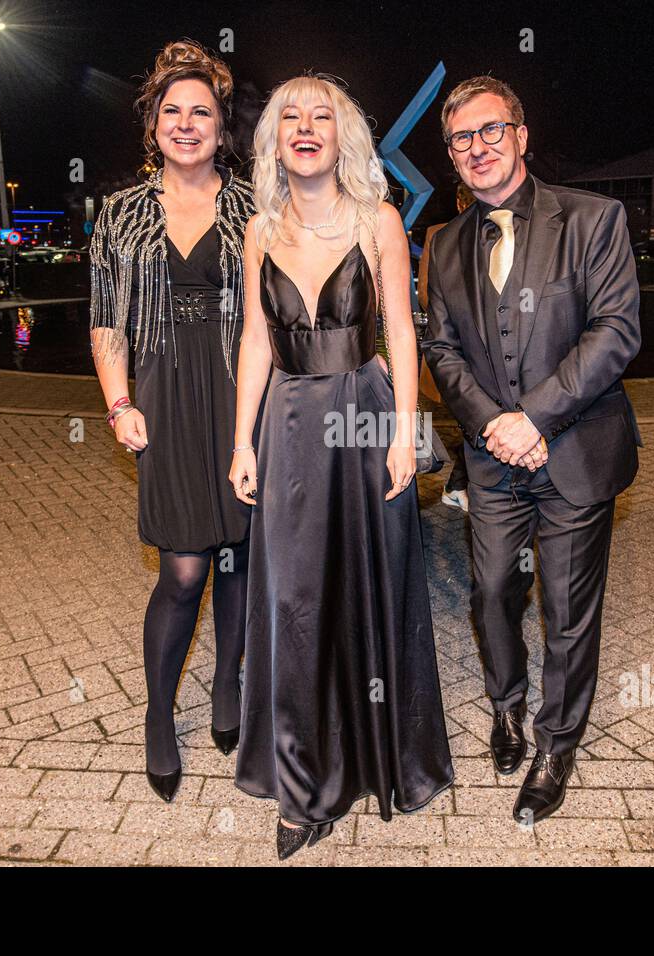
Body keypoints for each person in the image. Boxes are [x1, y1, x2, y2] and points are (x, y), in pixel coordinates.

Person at [229, 74, 454, 860]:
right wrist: (241, 441)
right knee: (293, 600)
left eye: (322, 116)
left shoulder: (379, 220)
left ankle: (378, 752)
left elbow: (401, 332)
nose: (305, 126)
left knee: (368, 585)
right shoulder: (258, 231)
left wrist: (403, 433)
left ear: (343, 136)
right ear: (274, 141)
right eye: (290, 116)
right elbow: (256, 341)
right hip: (288, 423)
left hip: (364, 415)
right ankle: (305, 784)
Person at [422, 76, 642, 824]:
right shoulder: (442, 245)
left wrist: (534, 418)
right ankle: (506, 708)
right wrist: (492, 424)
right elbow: (441, 350)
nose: (477, 149)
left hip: (575, 454)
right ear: (450, 154)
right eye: (461, 139)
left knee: (569, 609)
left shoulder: (595, 219)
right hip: (491, 461)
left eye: (490, 132)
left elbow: (615, 331)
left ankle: (557, 743)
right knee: (489, 594)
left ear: (520, 135)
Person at [89, 40, 255, 804]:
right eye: (172, 111)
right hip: (161, 395)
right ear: (153, 123)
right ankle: (160, 716)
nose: (186, 123)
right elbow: (105, 322)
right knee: (186, 567)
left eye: (203, 112)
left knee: (243, 558)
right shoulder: (119, 214)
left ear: (224, 128)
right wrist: (119, 403)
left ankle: (228, 687)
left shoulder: (258, 205)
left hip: (242, 393)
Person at [419, 182, 476, 512]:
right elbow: (427, 294)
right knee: (472, 423)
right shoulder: (438, 234)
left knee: (474, 424)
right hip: (454, 349)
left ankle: (459, 486)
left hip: (486, 354)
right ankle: (459, 486)